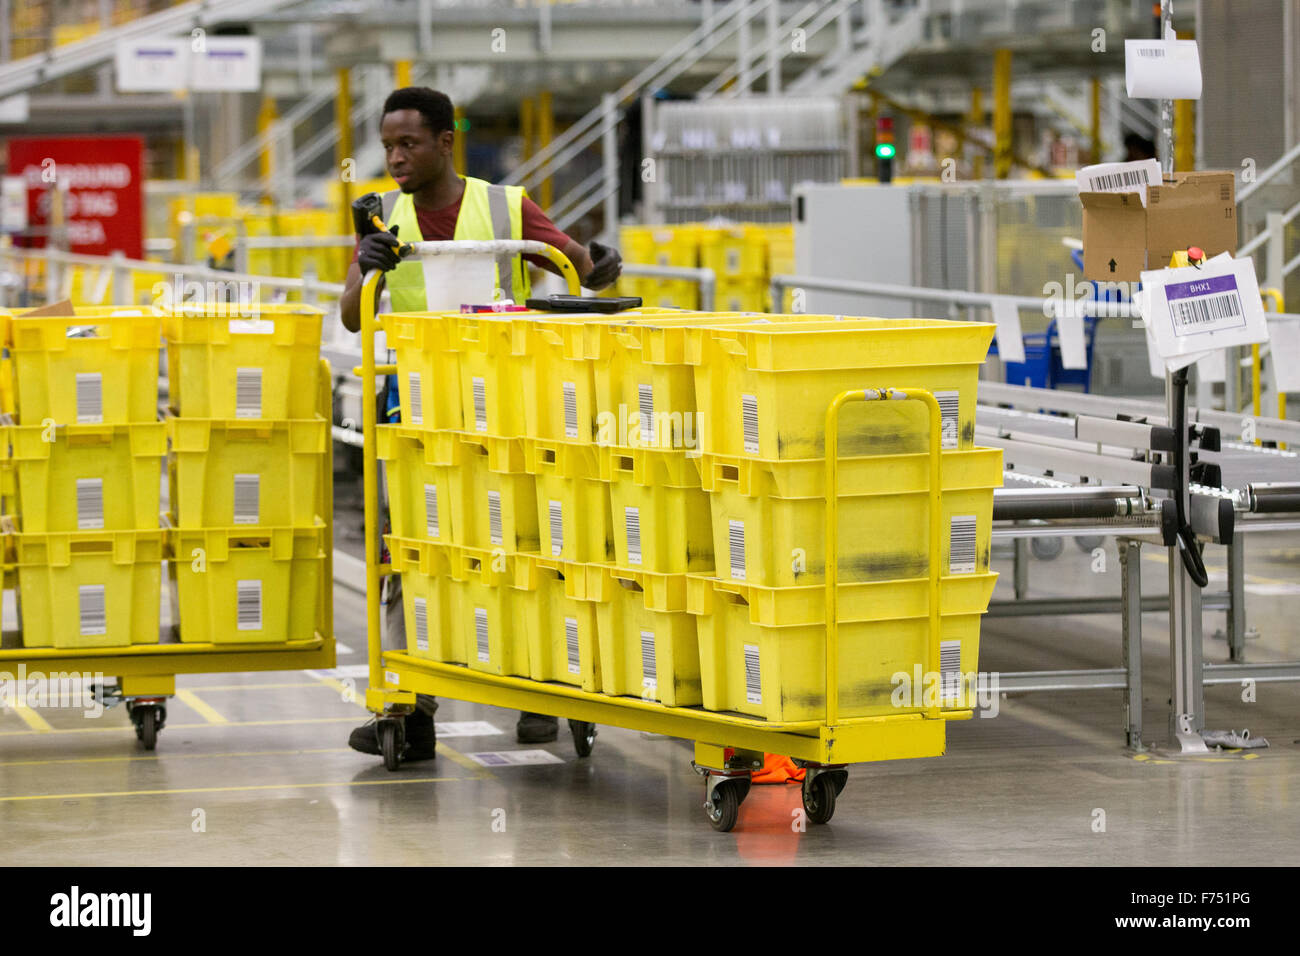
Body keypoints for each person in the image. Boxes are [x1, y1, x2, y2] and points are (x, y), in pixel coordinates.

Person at [343, 87, 622, 761]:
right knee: (409, 556)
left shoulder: (502, 206)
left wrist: (602, 265)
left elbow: (579, 267)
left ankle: (538, 696)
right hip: (416, 414)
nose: (395, 158)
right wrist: (366, 267)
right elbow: (353, 315)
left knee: (522, 554)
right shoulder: (383, 216)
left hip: (505, 414)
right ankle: (412, 705)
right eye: (386, 146)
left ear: (445, 142)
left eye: (407, 144)